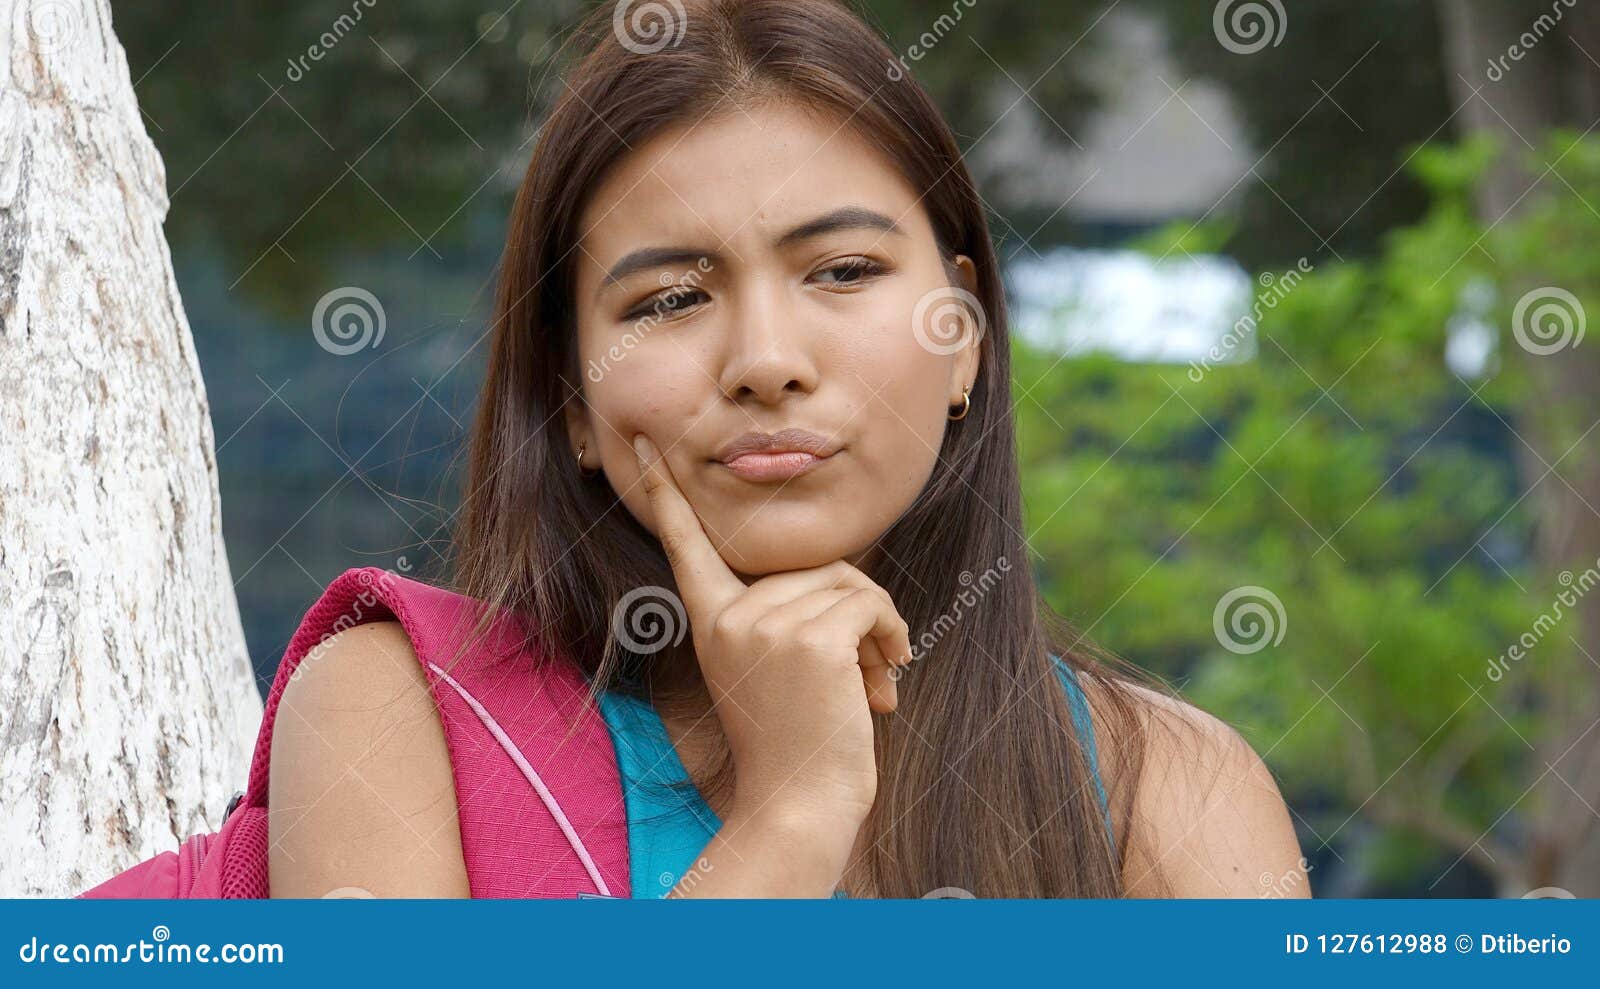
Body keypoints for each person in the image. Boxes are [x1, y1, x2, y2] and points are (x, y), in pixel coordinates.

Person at [267, 0, 1307, 899]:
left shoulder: (1163, 786)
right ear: (569, 399)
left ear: (963, 340)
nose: (765, 361)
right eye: (670, 298)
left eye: (844, 270)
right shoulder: (396, 710)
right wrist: (788, 816)